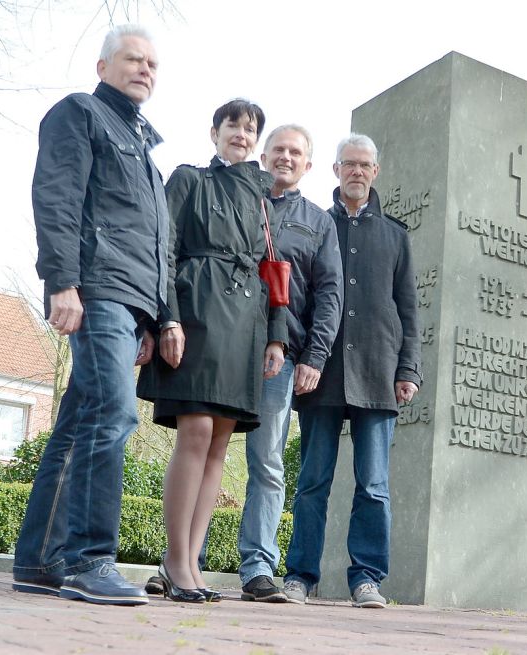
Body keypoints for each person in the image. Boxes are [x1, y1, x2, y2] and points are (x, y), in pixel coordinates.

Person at [11, 25, 167, 606]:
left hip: (129, 303)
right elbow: (56, 197)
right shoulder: (80, 113)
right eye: (133, 59)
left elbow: (156, 243)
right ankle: (88, 559)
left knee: (79, 424)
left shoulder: (146, 152)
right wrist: (62, 282)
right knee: (111, 414)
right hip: (96, 290)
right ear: (103, 67)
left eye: (152, 63)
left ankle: (38, 560)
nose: (145, 69)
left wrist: (153, 317)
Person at [137, 99, 287, 603]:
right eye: (232, 125)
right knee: (196, 429)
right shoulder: (189, 180)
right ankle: (177, 560)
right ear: (214, 132)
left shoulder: (264, 201)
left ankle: (189, 564)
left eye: (250, 129)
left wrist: (276, 335)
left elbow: (273, 271)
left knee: (220, 440)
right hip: (196, 313)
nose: (241, 134)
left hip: (245, 323)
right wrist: (167, 318)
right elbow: (163, 249)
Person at [283, 133, 421, 609]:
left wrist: (409, 369)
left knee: (374, 486)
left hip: (379, 371)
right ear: (336, 170)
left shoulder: (396, 236)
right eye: (349, 164)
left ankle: (367, 579)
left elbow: (409, 310)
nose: (357, 171)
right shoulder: (317, 225)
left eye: (365, 165)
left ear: (375, 172)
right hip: (321, 372)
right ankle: (300, 576)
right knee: (312, 482)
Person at [236, 125, 343, 602]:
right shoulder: (240, 201)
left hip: (281, 358)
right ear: (263, 156)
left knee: (267, 463)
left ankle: (258, 568)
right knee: (204, 452)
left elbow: (329, 295)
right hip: (225, 348)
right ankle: (182, 559)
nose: (285, 157)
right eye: (278, 149)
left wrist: (315, 355)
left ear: (308, 165)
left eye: (295, 152)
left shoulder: (319, 222)